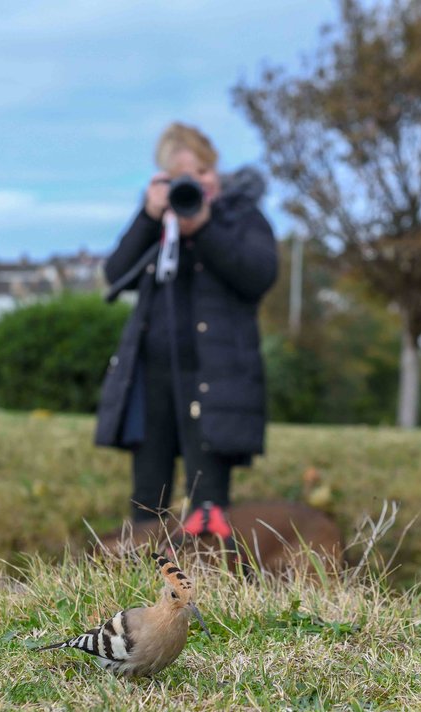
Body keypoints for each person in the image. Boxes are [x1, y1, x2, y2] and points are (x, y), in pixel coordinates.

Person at [95, 123, 278, 529]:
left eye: (202, 172)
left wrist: (205, 229)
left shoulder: (241, 216)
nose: (194, 183)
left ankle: (212, 581)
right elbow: (115, 273)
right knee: (147, 498)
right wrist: (149, 216)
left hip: (216, 378)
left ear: (217, 172)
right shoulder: (158, 220)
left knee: (208, 498)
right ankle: (142, 580)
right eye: (181, 177)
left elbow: (259, 276)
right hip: (152, 375)